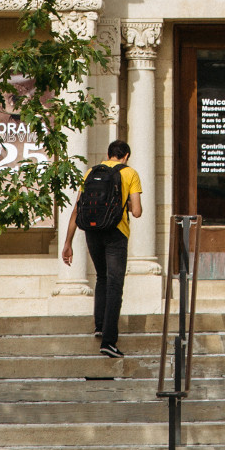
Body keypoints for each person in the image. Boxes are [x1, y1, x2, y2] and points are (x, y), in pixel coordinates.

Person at [61, 139, 141, 358]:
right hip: (116, 233)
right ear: (126, 156)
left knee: (101, 277)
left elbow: (77, 209)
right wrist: (124, 204)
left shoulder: (90, 173)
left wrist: (68, 243)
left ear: (108, 155)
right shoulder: (130, 173)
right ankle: (109, 341)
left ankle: (99, 325)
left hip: (92, 231)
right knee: (115, 284)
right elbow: (136, 211)